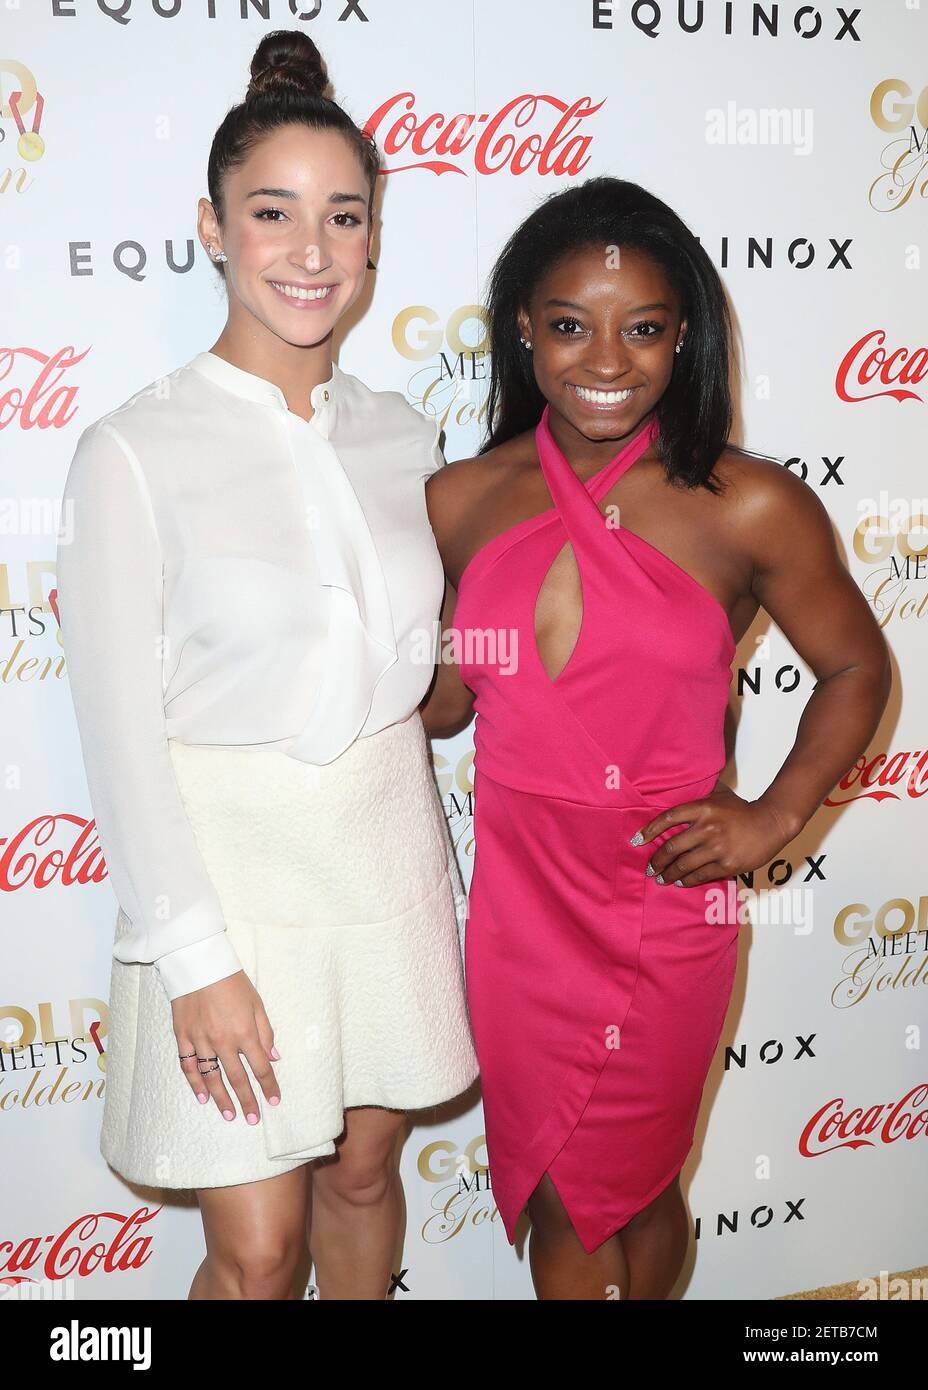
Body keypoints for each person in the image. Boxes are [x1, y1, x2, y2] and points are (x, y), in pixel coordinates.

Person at [55, 29, 477, 1302]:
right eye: (273, 212)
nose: (309, 250)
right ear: (213, 226)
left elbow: (442, 664)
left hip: (384, 850)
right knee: (255, 1253)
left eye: (341, 217)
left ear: (372, 237)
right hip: (227, 879)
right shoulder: (133, 450)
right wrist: (195, 957)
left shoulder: (409, 435)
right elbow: (119, 735)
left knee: (360, 1181)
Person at [421, 176, 891, 1300]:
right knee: (551, 1185)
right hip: (524, 899)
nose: (606, 359)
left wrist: (773, 816)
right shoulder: (458, 497)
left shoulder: (747, 503)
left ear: (685, 337)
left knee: (636, 1182)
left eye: (643, 328)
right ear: (523, 329)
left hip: (665, 891)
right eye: (570, 325)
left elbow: (857, 666)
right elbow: (444, 707)